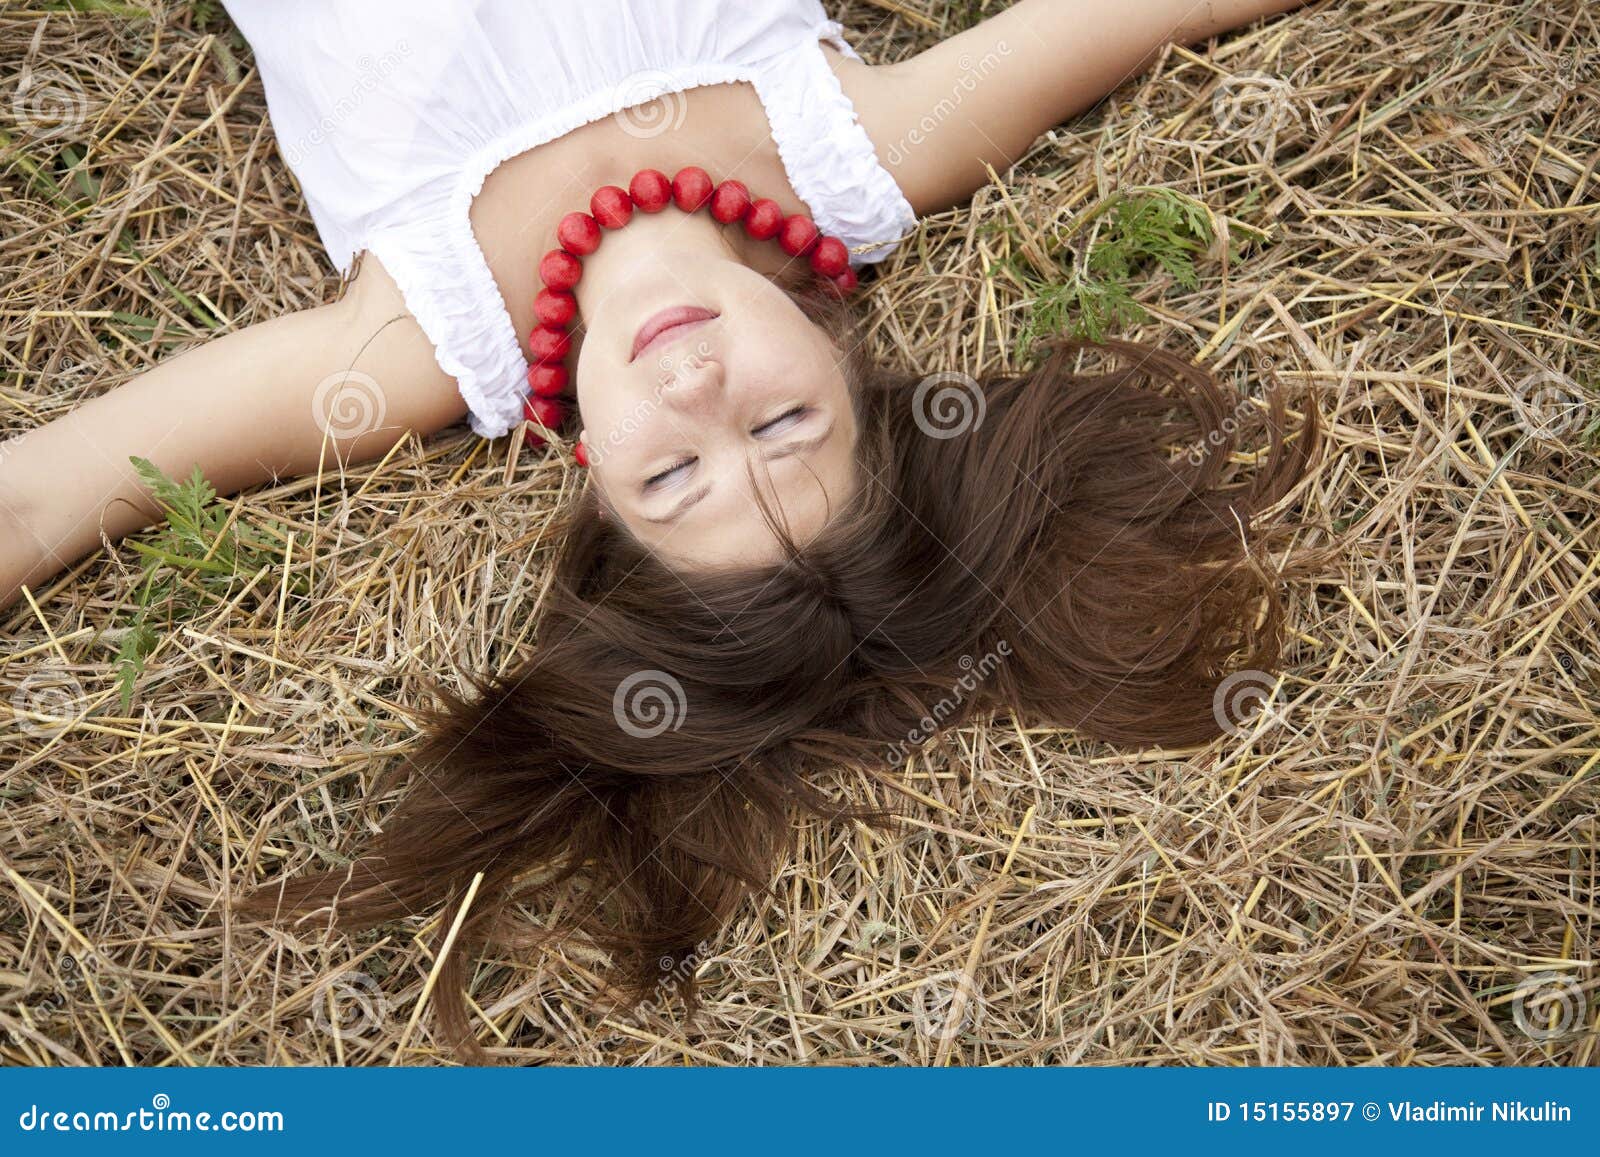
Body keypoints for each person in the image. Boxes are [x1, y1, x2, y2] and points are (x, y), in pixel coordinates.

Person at [0, 0, 1319, 1059]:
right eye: (788, 426)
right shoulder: (858, 149)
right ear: (847, 365)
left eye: (679, 476)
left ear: (601, 506)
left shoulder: (425, 343)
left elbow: (45, 494)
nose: (698, 391)